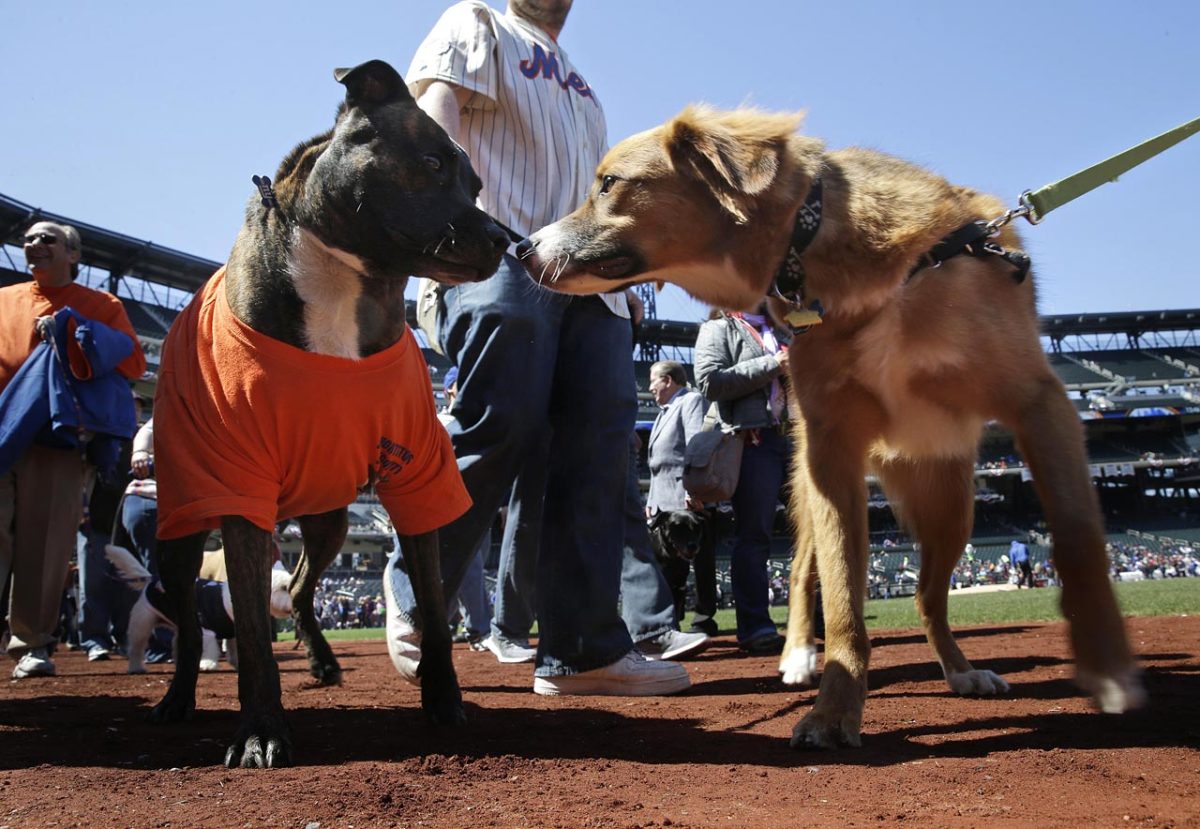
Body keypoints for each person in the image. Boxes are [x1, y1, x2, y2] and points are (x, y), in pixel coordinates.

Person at [385, 0, 689, 695]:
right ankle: (416, 582)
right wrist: (444, 228)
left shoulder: (586, 90)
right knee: (507, 416)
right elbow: (435, 119)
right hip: (497, 252)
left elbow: (599, 203)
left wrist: (628, 276)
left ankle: (583, 650)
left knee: (597, 452)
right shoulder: (477, 22)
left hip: (590, 282)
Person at [0, 221, 145, 678]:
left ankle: (33, 642)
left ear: (73, 255)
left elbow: (134, 363)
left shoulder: (102, 305)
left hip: (57, 439)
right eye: (29, 239)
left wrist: (77, 332)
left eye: (48, 239)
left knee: (44, 543)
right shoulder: (4, 300)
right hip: (3, 427)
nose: (34, 244)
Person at [693, 306, 793, 656]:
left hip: (797, 438)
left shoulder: (785, 323)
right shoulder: (718, 328)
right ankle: (756, 627)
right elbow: (709, 382)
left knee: (819, 530)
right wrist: (773, 366)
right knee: (755, 534)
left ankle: (822, 618)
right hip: (753, 442)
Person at [645, 360, 718, 636]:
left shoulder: (690, 401)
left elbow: (695, 447)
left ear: (668, 380)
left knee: (700, 561)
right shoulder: (664, 410)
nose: (650, 387)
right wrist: (652, 502)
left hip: (686, 500)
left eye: (653, 380)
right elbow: (657, 465)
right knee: (669, 568)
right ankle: (670, 622)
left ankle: (703, 620)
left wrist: (693, 491)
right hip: (664, 503)